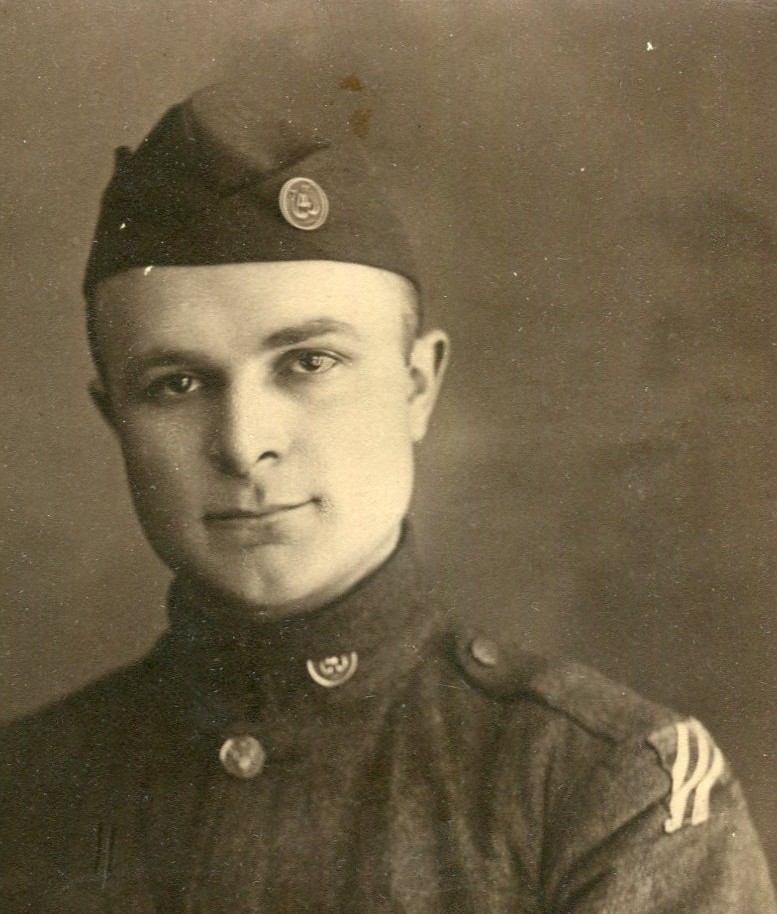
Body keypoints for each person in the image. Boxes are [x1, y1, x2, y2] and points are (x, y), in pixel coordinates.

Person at [1, 79, 775, 914]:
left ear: (416, 385)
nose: (241, 442)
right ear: (113, 416)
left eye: (308, 364)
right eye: (175, 383)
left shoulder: (603, 790)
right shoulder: (23, 791)